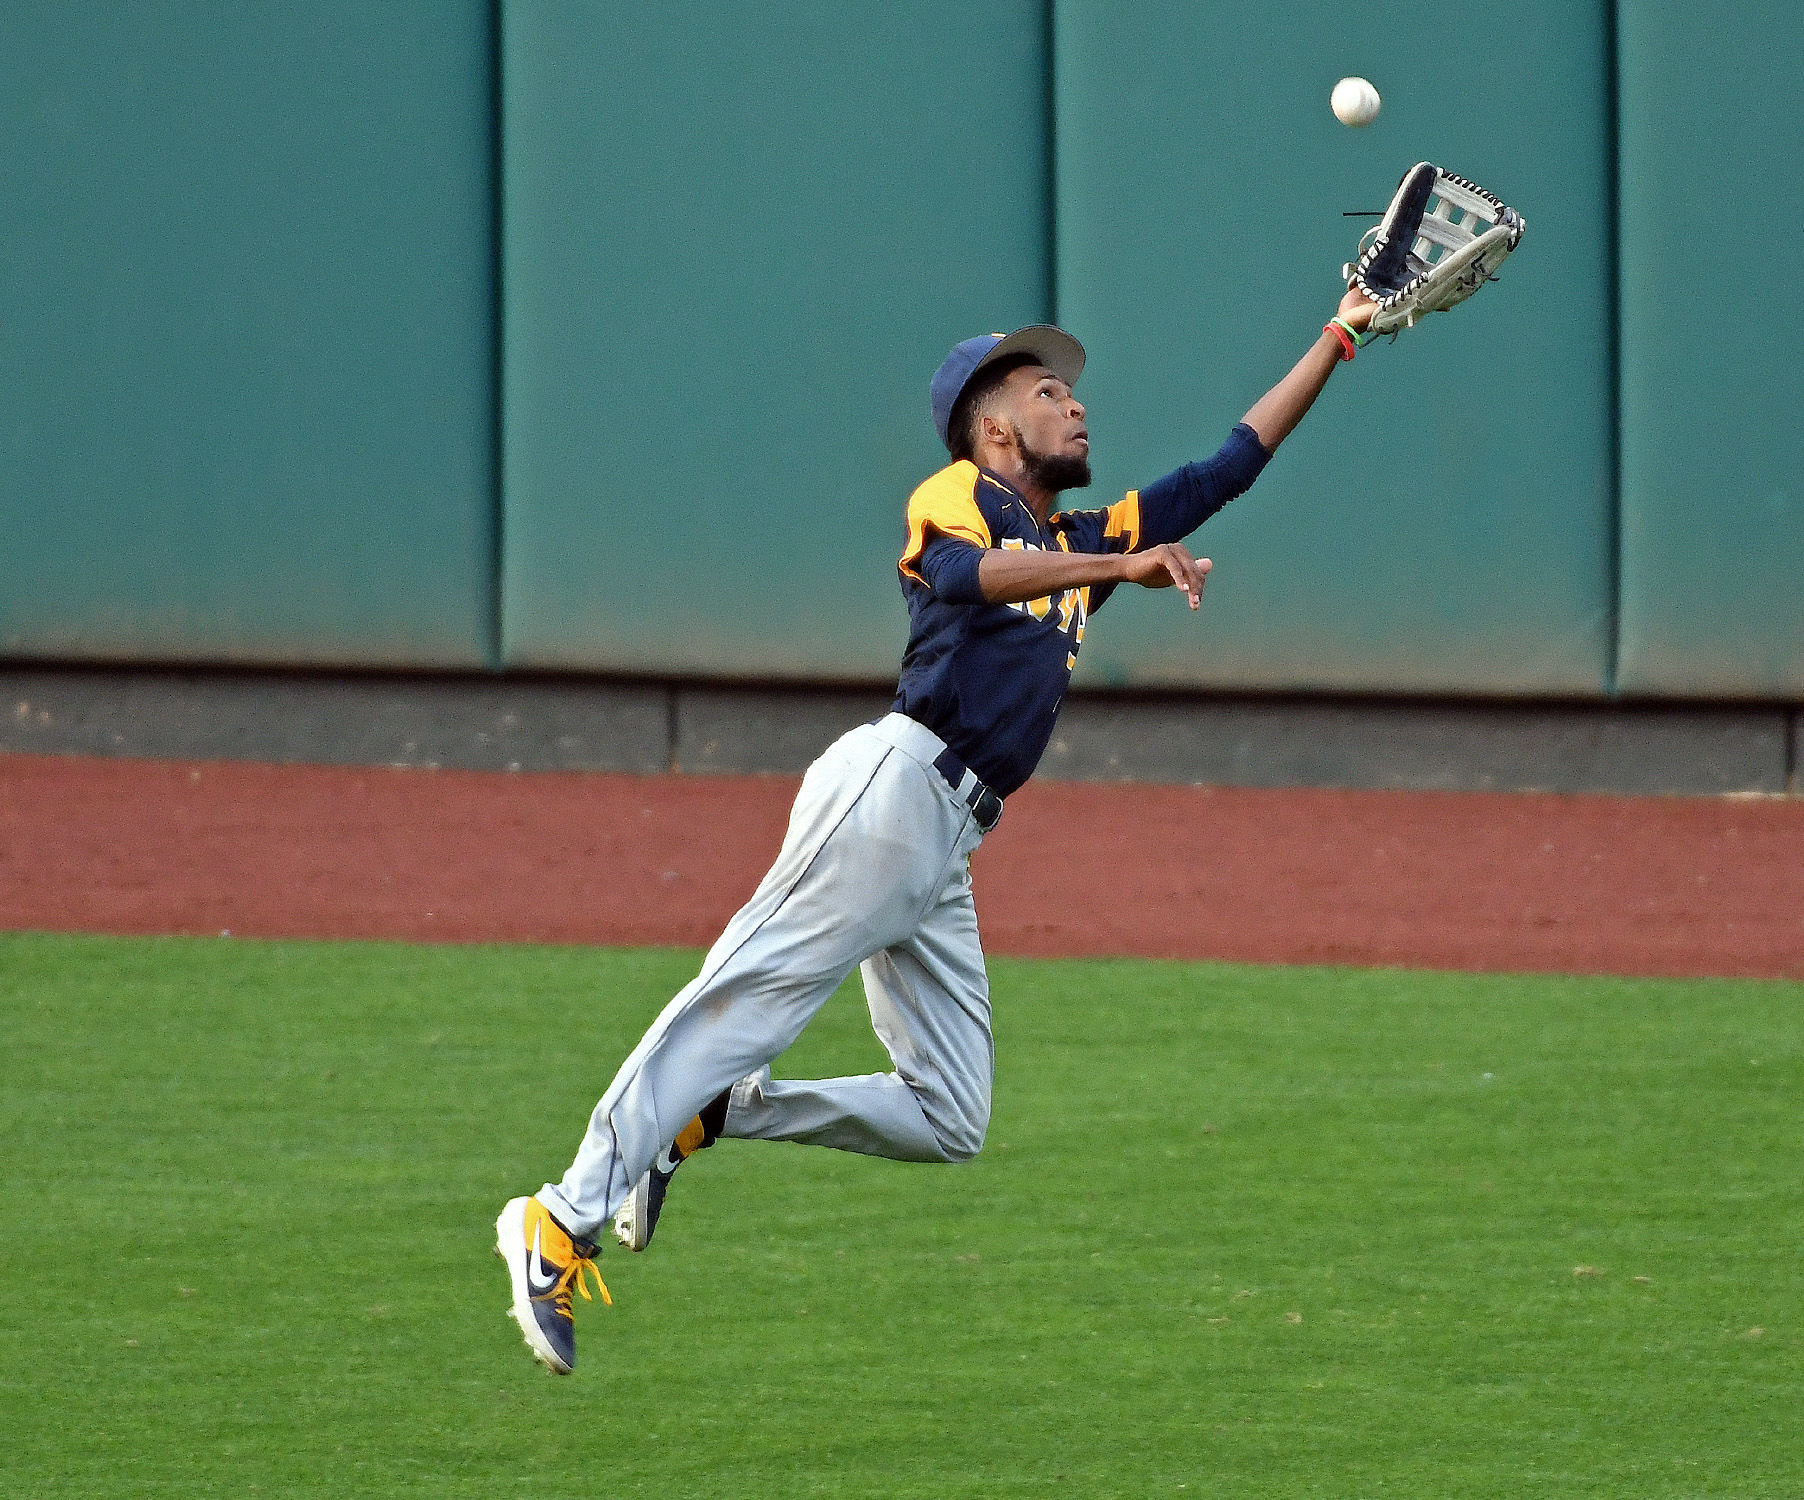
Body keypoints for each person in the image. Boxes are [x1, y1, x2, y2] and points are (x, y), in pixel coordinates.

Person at [494, 288, 1378, 1375]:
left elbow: (1225, 468)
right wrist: (1114, 569)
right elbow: (969, 577)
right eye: (1048, 390)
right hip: (890, 794)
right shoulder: (960, 495)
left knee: (949, 1112)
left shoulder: (1071, 538)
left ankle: (710, 1116)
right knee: (742, 1000)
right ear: (995, 425)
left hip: (948, 841)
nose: (1076, 404)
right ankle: (558, 1216)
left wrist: (1338, 335)